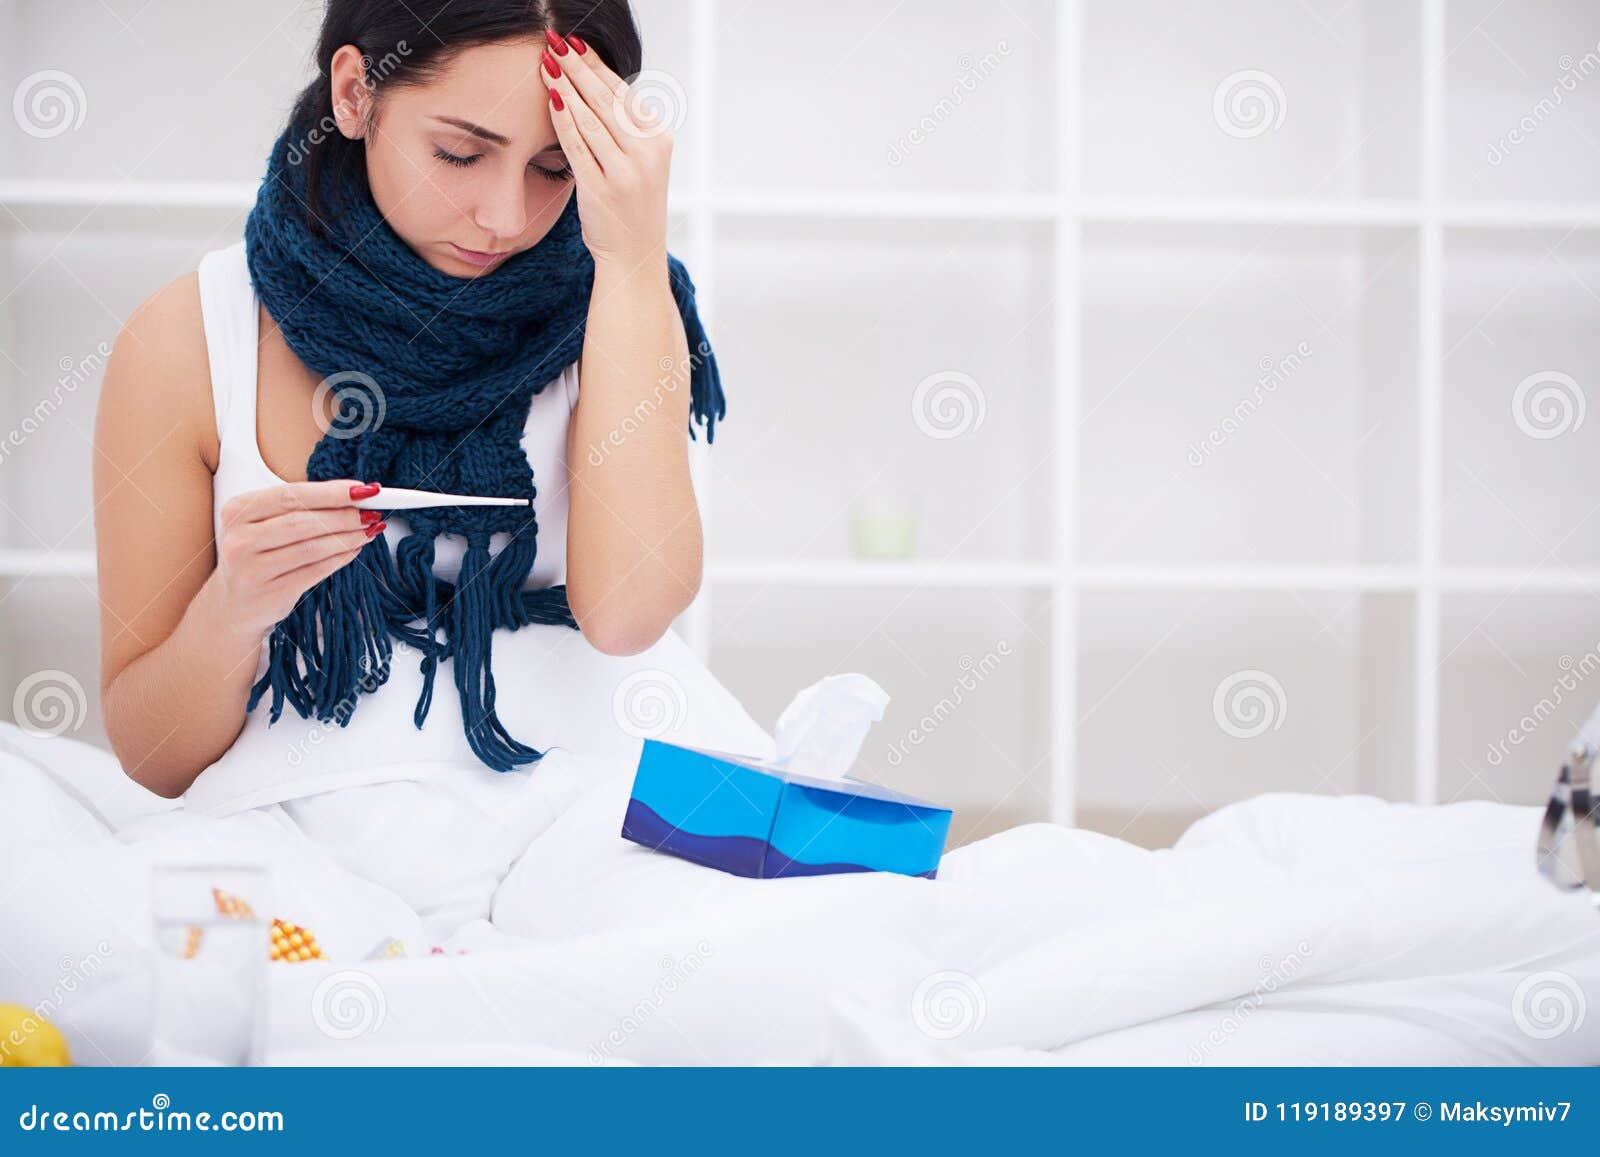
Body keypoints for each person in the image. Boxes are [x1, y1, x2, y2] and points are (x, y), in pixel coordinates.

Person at [91, 0, 771, 941]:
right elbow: (151, 754)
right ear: (355, 92)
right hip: (309, 825)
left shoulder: (620, 295)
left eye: (554, 169)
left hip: (599, 801)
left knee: (753, 963)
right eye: (460, 154)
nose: (505, 217)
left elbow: (627, 614)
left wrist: (631, 261)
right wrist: (234, 608)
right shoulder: (186, 339)